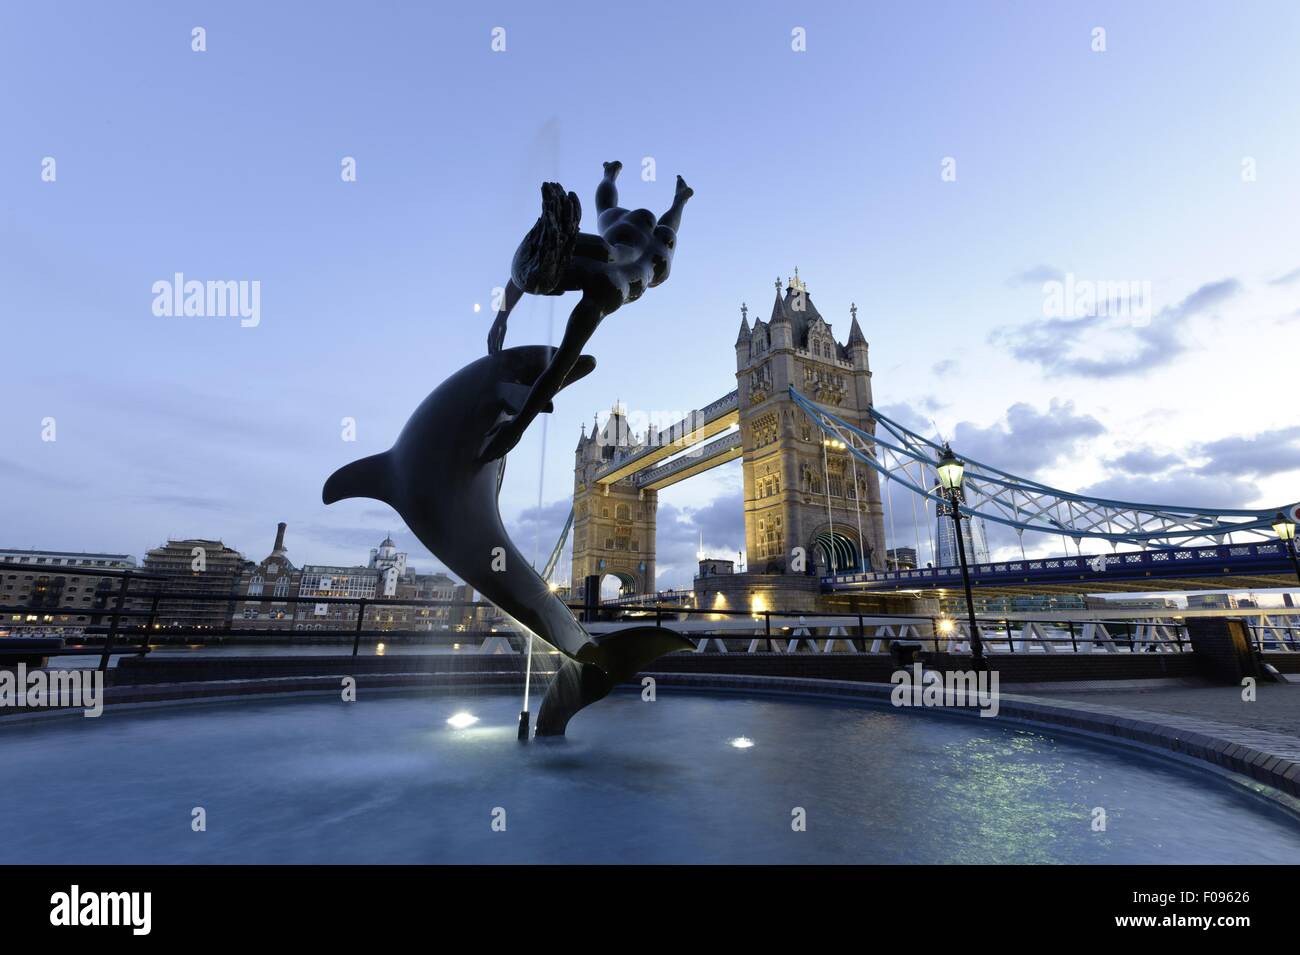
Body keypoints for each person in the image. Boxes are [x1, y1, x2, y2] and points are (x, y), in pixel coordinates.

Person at [481, 160, 692, 461]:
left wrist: (517, 427)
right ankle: (640, 185)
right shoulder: (594, 251)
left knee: (658, 226)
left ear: (559, 284)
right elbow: (539, 257)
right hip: (636, 238)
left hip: (652, 255)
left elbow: (561, 364)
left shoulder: (607, 289)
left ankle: (671, 197)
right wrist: (501, 316)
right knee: (609, 212)